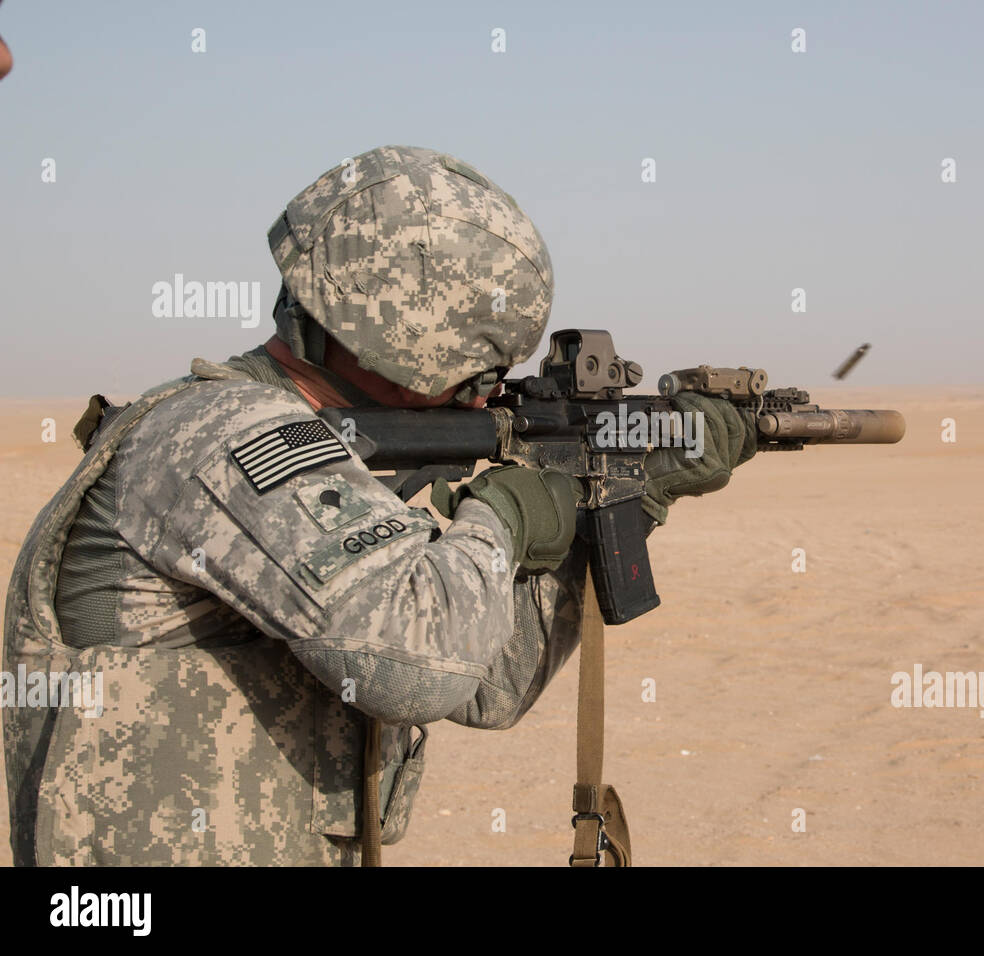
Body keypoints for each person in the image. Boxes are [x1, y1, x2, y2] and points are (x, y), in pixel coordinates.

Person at [2, 145, 754, 865]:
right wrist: (503, 517)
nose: (489, 391)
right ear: (397, 341)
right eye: (475, 372)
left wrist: (626, 495)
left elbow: (488, 687)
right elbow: (422, 668)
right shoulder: (230, 436)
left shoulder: (315, 451)